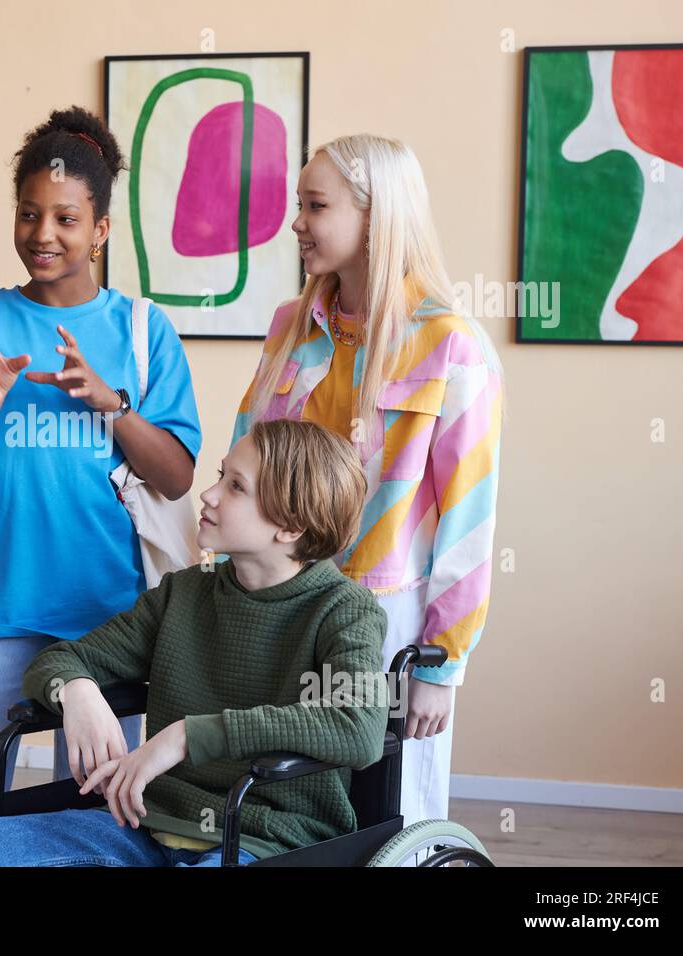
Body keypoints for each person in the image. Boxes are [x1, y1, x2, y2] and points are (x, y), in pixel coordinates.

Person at [0, 105, 202, 867]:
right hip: (0, 609)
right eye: (30, 214)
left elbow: (175, 478)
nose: (44, 233)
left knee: (109, 816)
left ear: (100, 229)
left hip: (113, 623)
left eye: (66, 218)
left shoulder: (143, 330)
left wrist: (113, 405)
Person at [0, 420, 389, 866]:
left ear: (291, 525)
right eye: (220, 475)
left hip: (264, 838)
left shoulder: (343, 609)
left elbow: (359, 726)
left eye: (236, 486)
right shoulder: (184, 594)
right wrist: (77, 690)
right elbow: (61, 659)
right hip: (149, 823)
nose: (208, 494)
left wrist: (186, 736)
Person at [232, 133, 506, 826]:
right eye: (299, 204)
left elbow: (469, 520)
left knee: (390, 816)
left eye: (315, 205)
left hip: (383, 623)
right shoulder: (289, 327)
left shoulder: (452, 345)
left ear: (376, 216)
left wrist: (439, 667)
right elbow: (247, 458)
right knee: (284, 808)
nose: (296, 221)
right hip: (277, 606)